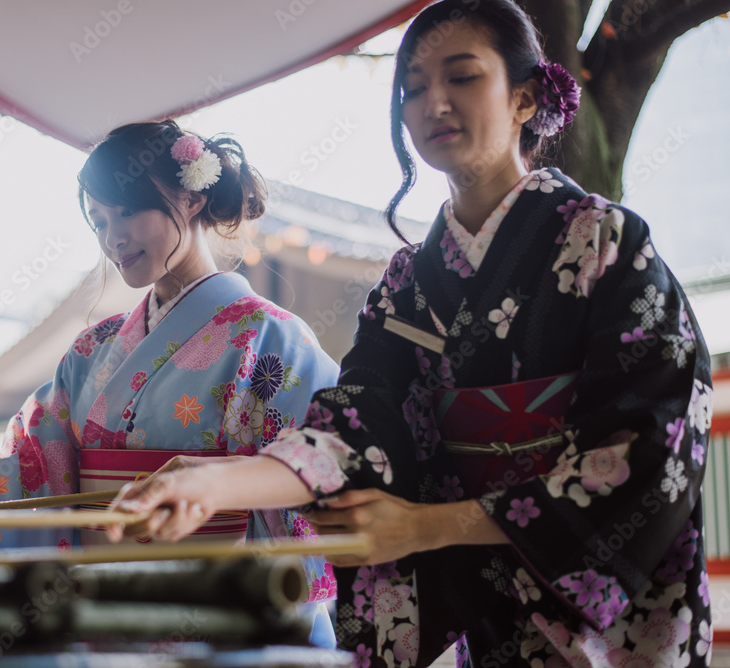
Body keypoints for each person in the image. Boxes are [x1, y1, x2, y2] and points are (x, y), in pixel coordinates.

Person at [107, 2, 714, 666]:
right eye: (415, 88)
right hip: (490, 600)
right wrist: (211, 486)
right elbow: (357, 426)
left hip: (599, 609)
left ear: (525, 97)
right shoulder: (408, 282)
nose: (434, 103)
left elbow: (651, 446)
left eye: (461, 77)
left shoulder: (607, 242)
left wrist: (426, 527)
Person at [0, 120, 340, 646]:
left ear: (190, 197)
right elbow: (31, 459)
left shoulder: (272, 340)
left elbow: (321, 464)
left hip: (220, 616)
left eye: (126, 211)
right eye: (98, 220)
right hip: (101, 615)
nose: (111, 237)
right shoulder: (91, 348)